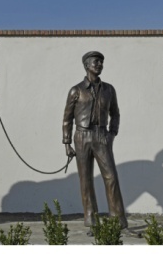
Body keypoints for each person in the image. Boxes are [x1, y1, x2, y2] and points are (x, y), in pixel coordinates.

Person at [63, 50, 128, 231]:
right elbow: (67, 118)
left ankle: (117, 221)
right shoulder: (76, 90)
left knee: (111, 177)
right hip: (82, 136)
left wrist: (112, 133)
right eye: (95, 62)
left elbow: (115, 113)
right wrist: (67, 143)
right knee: (86, 180)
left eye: (101, 62)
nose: (99, 64)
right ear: (86, 66)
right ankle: (91, 221)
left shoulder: (109, 89)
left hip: (101, 135)